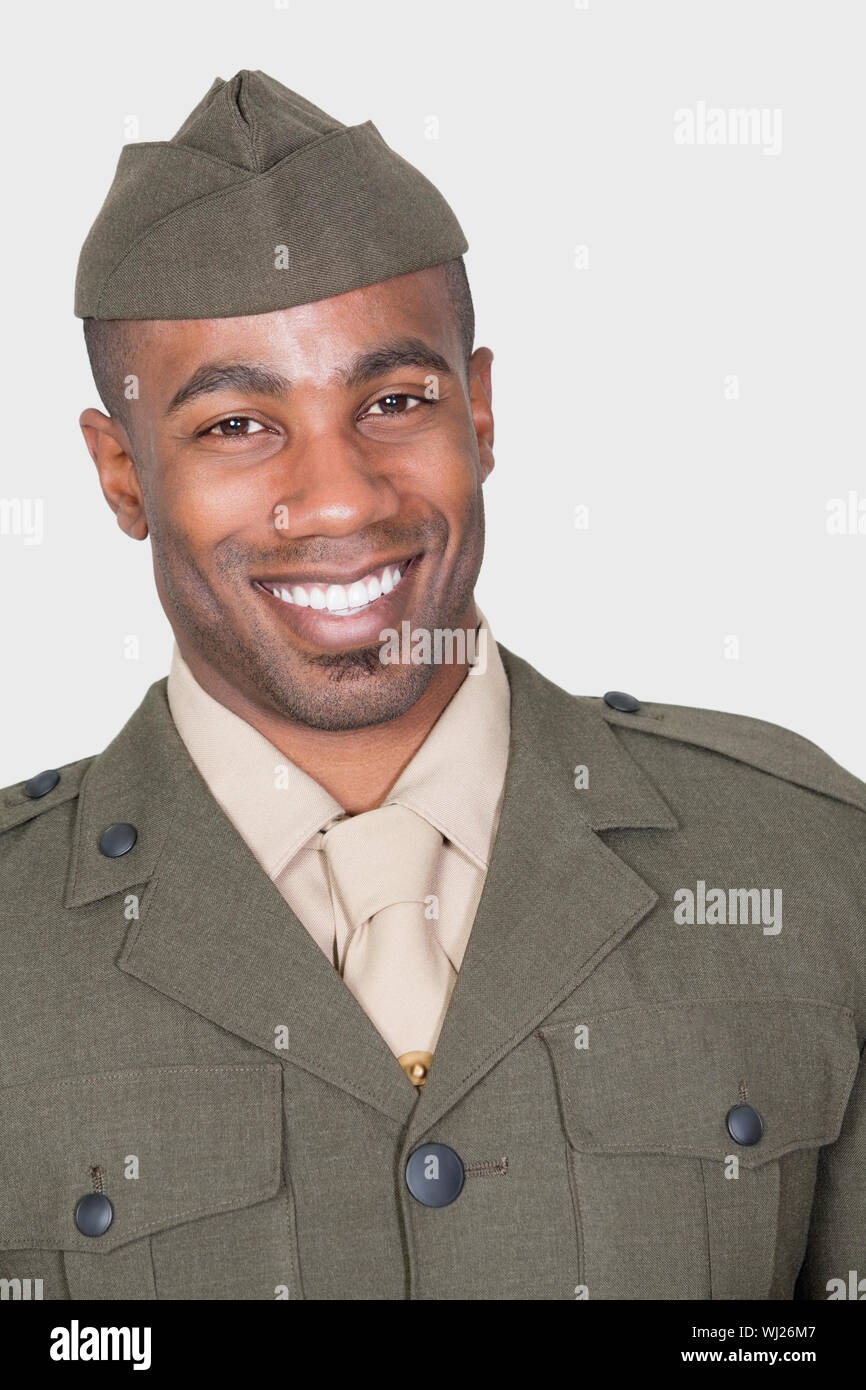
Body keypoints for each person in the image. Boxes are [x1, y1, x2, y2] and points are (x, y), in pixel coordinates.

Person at [1, 70, 863, 1302]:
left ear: (484, 412)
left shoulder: (806, 862)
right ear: (120, 473)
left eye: (395, 400)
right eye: (238, 425)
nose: (344, 495)